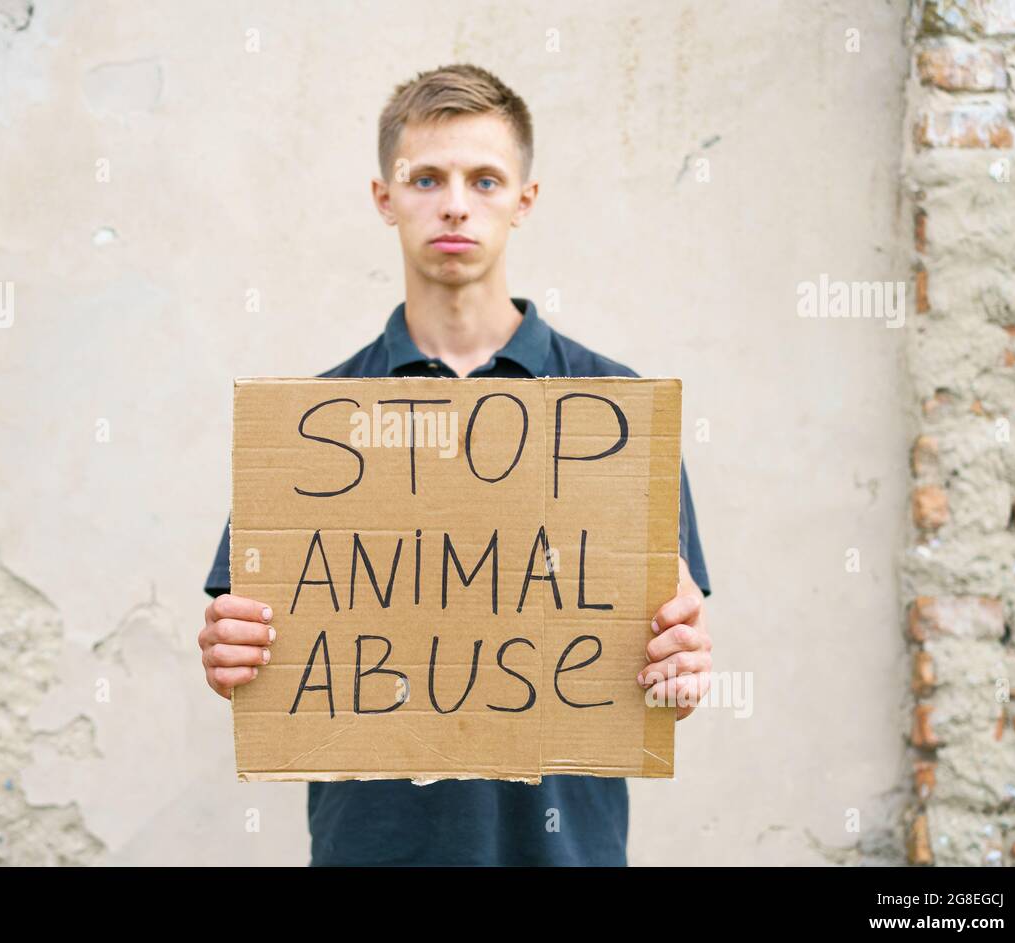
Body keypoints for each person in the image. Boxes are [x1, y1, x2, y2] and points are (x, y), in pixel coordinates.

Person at [200, 63, 713, 866]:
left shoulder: (618, 414)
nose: (454, 203)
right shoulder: (310, 429)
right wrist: (232, 654)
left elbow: (663, 666)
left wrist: (678, 670)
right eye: (426, 177)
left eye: (484, 179)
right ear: (384, 198)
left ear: (524, 201)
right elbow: (250, 657)